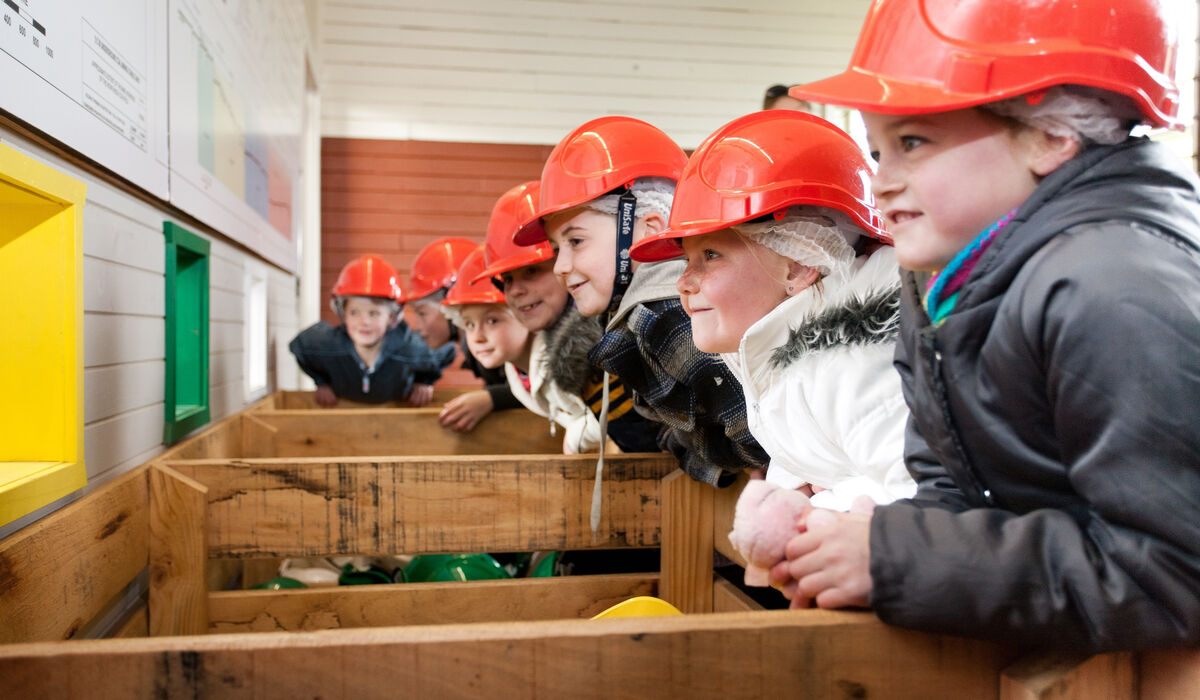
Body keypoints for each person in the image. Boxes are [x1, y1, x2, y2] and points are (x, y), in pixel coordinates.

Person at [770, 0, 1200, 653]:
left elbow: (1169, 574)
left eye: (913, 143)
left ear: (1051, 135)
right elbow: (953, 480)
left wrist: (898, 558)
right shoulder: (944, 278)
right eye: (877, 149)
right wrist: (866, 550)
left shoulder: (1115, 292)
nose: (880, 184)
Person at [630, 109, 915, 512]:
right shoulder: (773, 353)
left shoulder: (856, 366)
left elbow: (922, 496)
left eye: (710, 255)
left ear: (797, 265)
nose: (684, 282)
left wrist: (823, 507)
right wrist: (791, 489)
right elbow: (805, 451)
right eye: (686, 259)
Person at [516, 116, 768, 486]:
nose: (560, 266)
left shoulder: (662, 315)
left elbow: (762, 442)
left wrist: (715, 461)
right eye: (557, 248)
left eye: (576, 242)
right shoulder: (635, 315)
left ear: (649, 229)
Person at [475, 181, 659, 454]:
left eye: (532, 271)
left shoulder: (617, 340)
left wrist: (583, 433)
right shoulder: (549, 350)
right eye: (507, 279)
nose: (515, 291)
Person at [289, 255, 451, 407]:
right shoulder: (328, 345)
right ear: (343, 314)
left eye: (374, 313)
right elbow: (299, 346)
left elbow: (447, 350)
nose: (364, 322)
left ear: (392, 317)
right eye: (354, 313)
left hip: (394, 417)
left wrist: (424, 381)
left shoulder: (410, 349)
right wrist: (322, 382)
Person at [404, 236, 522, 432]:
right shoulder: (471, 346)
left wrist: (492, 398)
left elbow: (536, 388)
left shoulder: (495, 341)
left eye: (422, 313)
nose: (416, 326)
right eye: (470, 324)